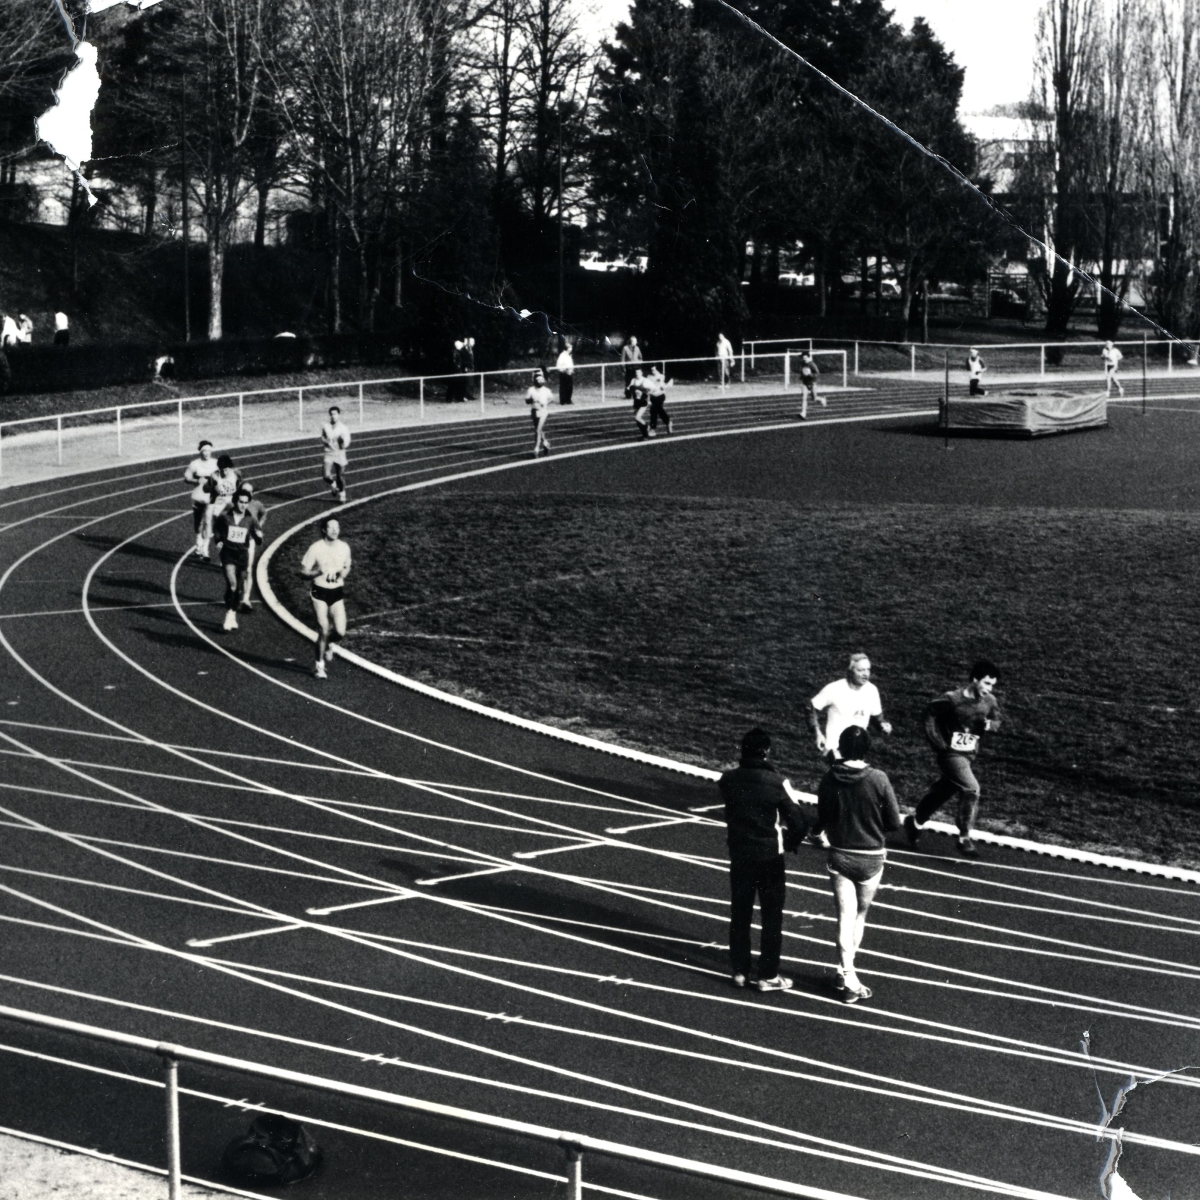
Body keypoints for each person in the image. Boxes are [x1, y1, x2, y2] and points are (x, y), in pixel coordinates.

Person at [811, 726, 901, 1004]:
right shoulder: (879, 778)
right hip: (872, 858)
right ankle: (846, 974)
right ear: (867, 749)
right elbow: (894, 823)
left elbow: (822, 818)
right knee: (860, 916)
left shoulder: (830, 777)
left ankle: (846, 973)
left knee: (844, 917)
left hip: (840, 854)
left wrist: (818, 835)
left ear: (841, 746)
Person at [718, 727, 810, 992]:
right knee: (771, 916)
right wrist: (792, 842)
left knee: (740, 912)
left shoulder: (728, 779)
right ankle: (768, 975)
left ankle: (739, 971)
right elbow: (799, 820)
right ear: (767, 751)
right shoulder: (778, 783)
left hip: (739, 854)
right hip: (769, 856)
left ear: (742, 751)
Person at [905, 660, 1002, 858]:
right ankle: (964, 836)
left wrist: (989, 726)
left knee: (944, 790)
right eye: (986, 683)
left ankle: (915, 822)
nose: (989, 689)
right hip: (950, 753)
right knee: (971, 788)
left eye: (992, 685)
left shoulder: (990, 701)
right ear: (975, 680)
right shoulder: (952, 699)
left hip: (968, 755)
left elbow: (997, 720)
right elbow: (928, 715)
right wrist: (938, 743)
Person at [808, 653, 893, 762]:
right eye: (861, 670)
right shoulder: (834, 689)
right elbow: (811, 707)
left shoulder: (872, 690)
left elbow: (877, 718)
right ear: (850, 671)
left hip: (857, 753)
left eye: (868, 670)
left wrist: (882, 725)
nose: (866, 674)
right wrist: (818, 733)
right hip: (834, 751)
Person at [300, 516, 352, 679]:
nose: (335, 530)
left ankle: (328, 643)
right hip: (319, 593)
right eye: (331, 527)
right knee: (323, 628)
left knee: (340, 632)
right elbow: (302, 572)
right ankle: (319, 666)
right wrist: (317, 572)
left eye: (337, 527)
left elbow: (347, 565)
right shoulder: (316, 548)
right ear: (324, 530)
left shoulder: (344, 547)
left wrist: (345, 572)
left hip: (336, 593)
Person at [213, 489, 265, 632]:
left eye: (246, 503)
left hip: (242, 555)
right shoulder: (224, 516)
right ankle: (229, 614)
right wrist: (218, 541)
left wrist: (259, 536)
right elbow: (216, 529)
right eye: (240, 502)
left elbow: (258, 537)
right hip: (228, 554)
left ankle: (232, 613)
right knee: (233, 585)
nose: (243, 505)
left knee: (239, 588)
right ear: (235, 501)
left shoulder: (251, 519)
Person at [183, 440, 219, 557]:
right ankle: (199, 540)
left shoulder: (216, 463)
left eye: (208, 450)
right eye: (204, 450)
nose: (206, 453)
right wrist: (196, 480)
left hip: (211, 496)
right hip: (198, 495)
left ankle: (205, 548)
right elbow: (186, 478)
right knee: (198, 521)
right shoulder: (195, 464)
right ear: (200, 451)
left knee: (208, 521)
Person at [238, 481, 268, 609]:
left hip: (249, 541)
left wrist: (259, 527)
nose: (247, 493)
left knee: (248, 569)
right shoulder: (233, 504)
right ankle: (238, 590)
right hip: (235, 542)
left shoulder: (256, 504)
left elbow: (264, 513)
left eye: (250, 491)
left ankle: (246, 599)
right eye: (244, 490)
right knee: (238, 571)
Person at [203, 454, 241, 553]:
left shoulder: (236, 475)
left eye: (226, 470)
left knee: (231, 528)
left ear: (230, 468)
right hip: (217, 504)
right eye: (222, 470)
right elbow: (205, 489)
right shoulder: (215, 476)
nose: (224, 472)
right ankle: (210, 547)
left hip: (230, 503)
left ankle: (228, 551)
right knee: (217, 528)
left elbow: (239, 490)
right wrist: (209, 486)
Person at [320, 405, 351, 503]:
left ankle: (342, 493)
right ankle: (334, 485)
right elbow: (323, 437)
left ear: (338, 415)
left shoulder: (343, 428)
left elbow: (345, 445)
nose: (333, 416)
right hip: (329, 452)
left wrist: (341, 441)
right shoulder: (326, 426)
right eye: (331, 414)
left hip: (339, 453)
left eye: (335, 414)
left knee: (340, 476)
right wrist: (326, 441)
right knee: (326, 475)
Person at [526, 370, 552, 456]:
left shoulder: (546, 390)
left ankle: (536, 448)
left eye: (542, 380)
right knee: (539, 430)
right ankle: (545, 443)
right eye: (538, 380)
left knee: (537, 430)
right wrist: (532, 400)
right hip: (534, 411)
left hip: (543, 411)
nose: (540, 382)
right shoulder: (531, 390)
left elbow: (551, 399)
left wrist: (545, 403)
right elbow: (527, 400)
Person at [645, 365, 673, 434]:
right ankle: (668, 422)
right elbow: (646, 386)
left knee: (654, 410)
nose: (653, 371)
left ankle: (653, 429)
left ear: (657, 369)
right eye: (651, 370)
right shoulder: (648, 377)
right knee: (657, 410)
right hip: (653, 397)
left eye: (654, 370)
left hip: (660, 396)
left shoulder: (661, 376)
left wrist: (665, 386)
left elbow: (671, 380)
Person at [797, 350, 821, 419]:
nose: (803, 358)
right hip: (805, 383)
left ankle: (822, 400)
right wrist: (802, 376)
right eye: (802, 357)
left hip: (812, 383)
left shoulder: (812, 364)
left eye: (804, 357)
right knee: (804, 398)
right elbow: (802, 372)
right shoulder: (802, 363)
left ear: (807, 356)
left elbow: (817, 373)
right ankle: (803, 413)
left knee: (814, 398)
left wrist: (810, 375)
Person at [629, 368, 651, 439]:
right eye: (636, 372)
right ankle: (645, 429)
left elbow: (653, 388)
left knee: (637, 417)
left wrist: (646, 393)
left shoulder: (645, 380)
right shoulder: (633, 380)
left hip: (643, 402)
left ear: (641, 373)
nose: (637, 374)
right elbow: (629, 388)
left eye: (638, 372)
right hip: (636, 402)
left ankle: (645, 434)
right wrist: (629, 389)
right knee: (637, 420)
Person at [556, 339, 575, 405]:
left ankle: (568, 400)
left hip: (569, 373)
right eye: (570, 347)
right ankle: (562, 400)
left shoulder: (569, 355)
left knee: (570, 387)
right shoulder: (562, 355)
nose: (571, 348)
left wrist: (571, 370)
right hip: (564, 373)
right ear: (567, 348)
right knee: (563, 387)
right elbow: (558, 365)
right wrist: (564, 370)